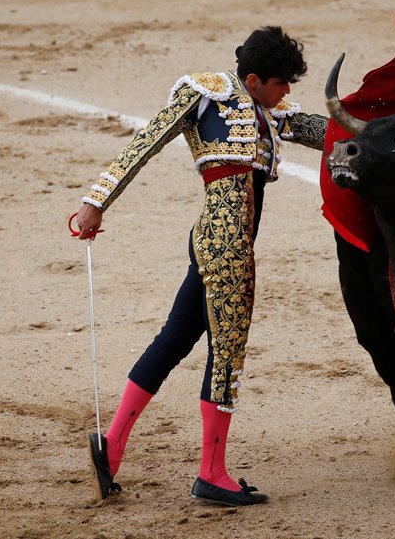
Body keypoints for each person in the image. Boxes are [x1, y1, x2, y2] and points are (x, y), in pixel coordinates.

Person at [75, 26, 327, 506]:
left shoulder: (269, 111)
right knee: (227, 349)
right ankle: (211, 473)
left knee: (175, 338)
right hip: (227, 243)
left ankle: (112, 445)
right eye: (281, 83)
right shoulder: (206, 94)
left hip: (213, 241)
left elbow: (323, 130)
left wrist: (393, 128)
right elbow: (146, 141)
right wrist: (96, 201)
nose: (287, 92)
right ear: (253, 80)